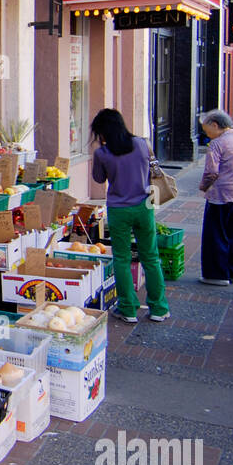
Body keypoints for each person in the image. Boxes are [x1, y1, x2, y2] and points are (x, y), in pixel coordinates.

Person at [90, 109, 169, 324]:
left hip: (119, 210)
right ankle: (159, 308)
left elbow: (98, 179)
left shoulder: (102, 153)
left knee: (122, 259)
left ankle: (128, 308)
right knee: (151, 257)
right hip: (144, 206)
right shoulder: (142, 144)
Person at [197, 110, 233, 286]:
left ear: (215, 125)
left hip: (219, 195)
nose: (206, 133)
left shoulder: (217, 144)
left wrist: (203, 187)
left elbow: (211, 172)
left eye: (206, 129)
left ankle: (217, 275)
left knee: (216, 235)